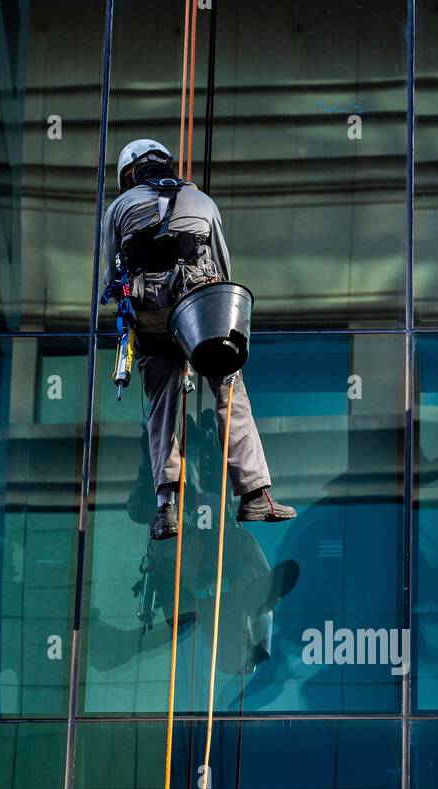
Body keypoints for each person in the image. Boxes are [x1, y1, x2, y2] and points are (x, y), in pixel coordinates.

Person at [101, 137, 295, 541]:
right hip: (197, 311)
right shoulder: (203, 201)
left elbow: (112, 278)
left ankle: (165, 507)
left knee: (161, 407)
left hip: (150, 315)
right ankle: (255, 494)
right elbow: (222, 271)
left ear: (130, 174)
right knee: (229, 392)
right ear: (168, 165)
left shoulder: (118, 209)